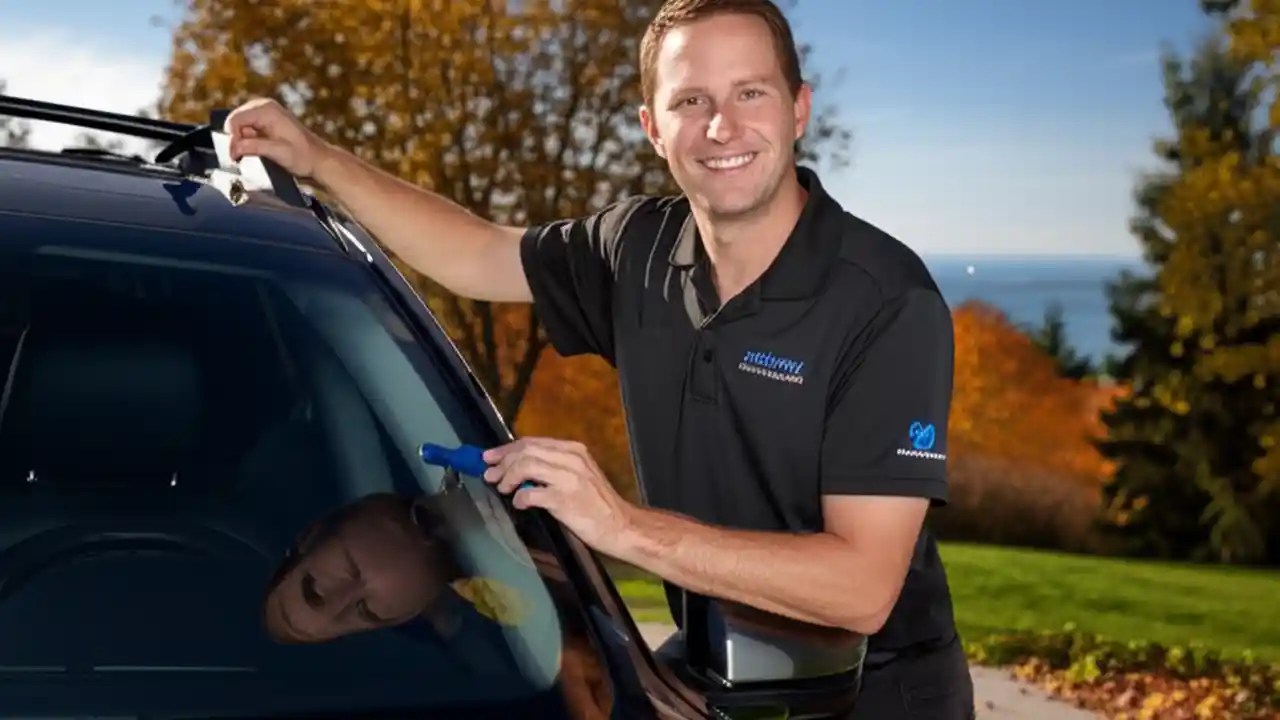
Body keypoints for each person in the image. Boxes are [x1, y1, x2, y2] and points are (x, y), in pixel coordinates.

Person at [223, 0, 975, 716]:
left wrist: (620, 526)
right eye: (689, 102)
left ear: (798, 109)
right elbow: (482, 254)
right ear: (652, 127)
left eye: (751, 92)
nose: (722, 125)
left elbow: (862, 586)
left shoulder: (886, 303)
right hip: (709, 669)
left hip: (871, 695)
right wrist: (319, 159)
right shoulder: (638, 248)